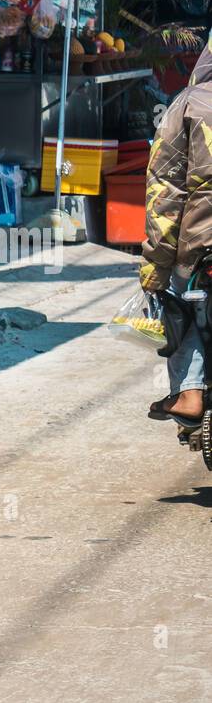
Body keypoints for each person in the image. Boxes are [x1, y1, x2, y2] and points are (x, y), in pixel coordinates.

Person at [141, 42, 212, 426]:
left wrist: (156, 264)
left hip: (202, 241)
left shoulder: (187, 103)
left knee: (182, 300)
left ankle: (189, 391)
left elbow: (164, 192)